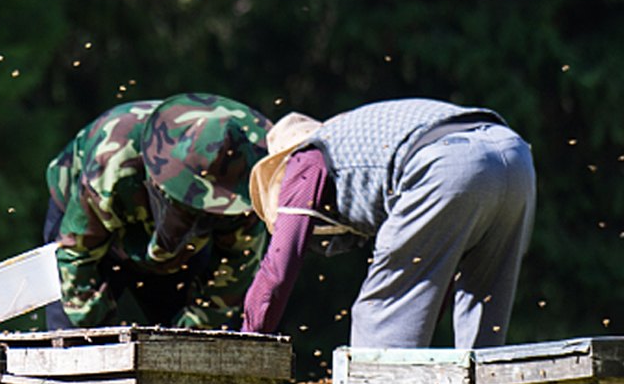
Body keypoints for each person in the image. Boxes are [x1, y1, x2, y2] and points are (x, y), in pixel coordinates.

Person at [242, 99, 535, 348]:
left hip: (443, 163)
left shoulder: (305, 160)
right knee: (485, 315)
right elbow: (433, 274)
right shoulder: (357, 139)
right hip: (515, 154)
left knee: (377, 317)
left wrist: (248, 342)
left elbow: (278, 266)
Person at [43, 92, 270, 331]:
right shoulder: (113, 162)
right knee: (71, 342)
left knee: (197, 349)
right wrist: (100, 336)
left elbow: (228, 281)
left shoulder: (245, 194)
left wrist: (190, 340)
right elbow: (76, 255)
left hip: (183, 251)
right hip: (91, 228)